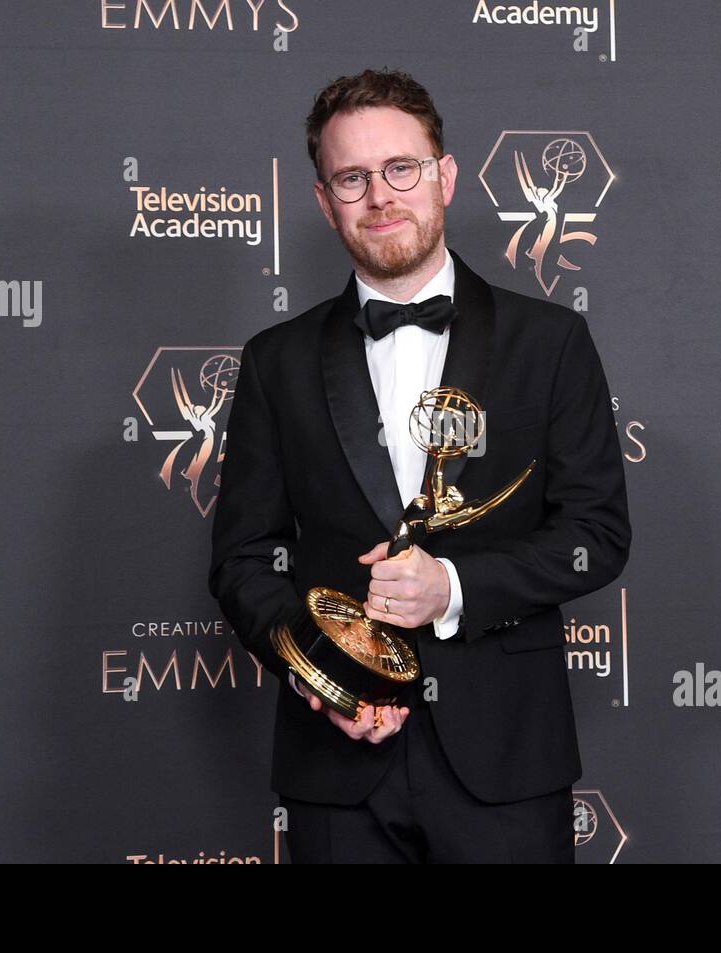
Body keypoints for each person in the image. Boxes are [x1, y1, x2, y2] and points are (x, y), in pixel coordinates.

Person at [208, 68, 631, 863]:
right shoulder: (276, 362)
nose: (381, 195)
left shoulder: (550, 343)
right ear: (323, 200)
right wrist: (318, 674)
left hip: (506, 761)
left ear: (445, 176)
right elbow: (242, 558)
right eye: (352, 178)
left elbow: (597, 533)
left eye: (401, 168)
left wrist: (454, 588)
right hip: (338, 764)